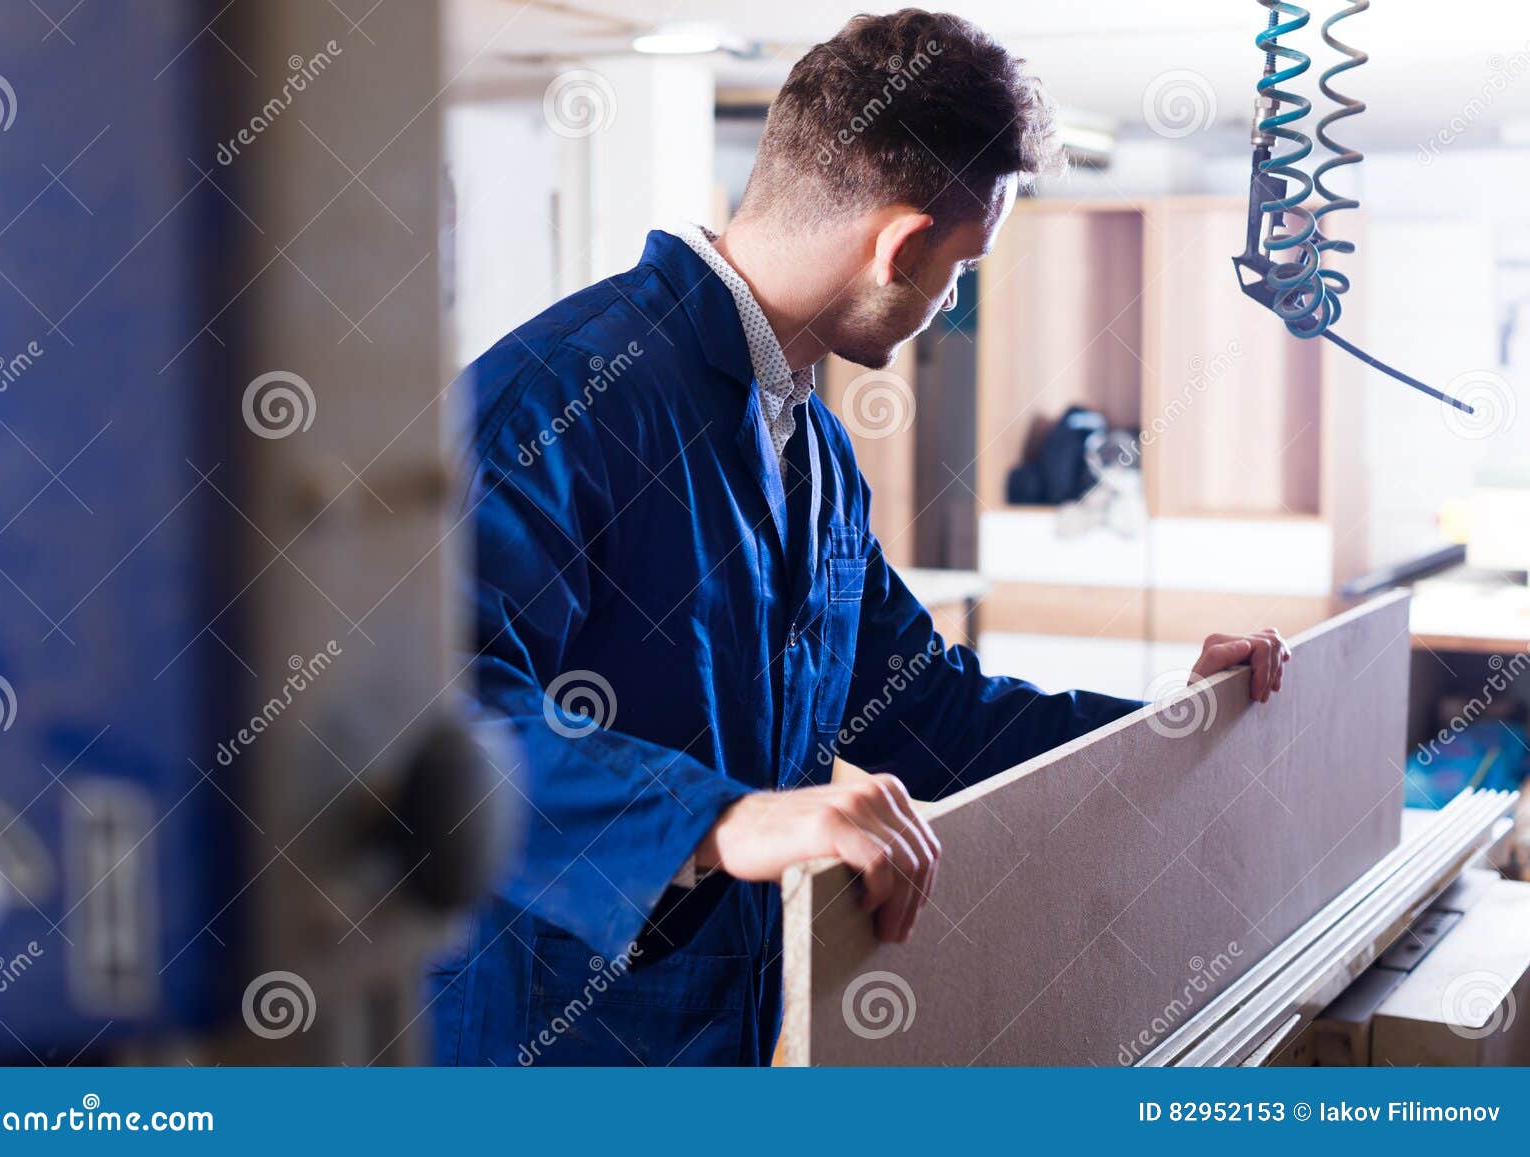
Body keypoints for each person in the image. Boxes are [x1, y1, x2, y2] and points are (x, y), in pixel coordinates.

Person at [429, 8, 1290, 1066]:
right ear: (900, 245)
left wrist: (1165, 727)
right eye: (963, 267)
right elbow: (429, 714)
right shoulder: (559, 399)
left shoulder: (815, 451)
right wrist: (723, 819)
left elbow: (923, 705)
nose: (952, 295)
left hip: (721, 1032)